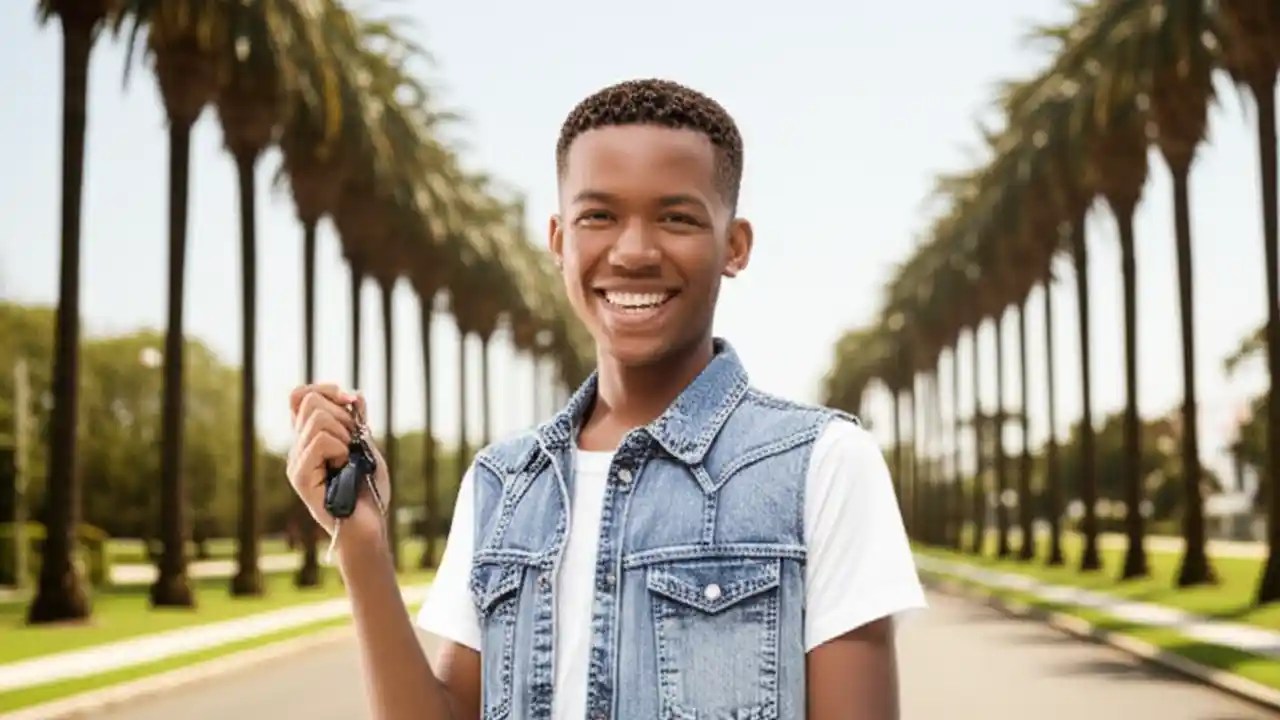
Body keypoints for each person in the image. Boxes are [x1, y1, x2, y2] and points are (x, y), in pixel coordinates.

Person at [286, 78, 926, 720]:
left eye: (677, 217)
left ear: (734, 245)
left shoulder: (823, 465)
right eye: (599, 217)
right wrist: (362, 544)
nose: (634, 251)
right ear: (560, 241)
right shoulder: (501, 484)